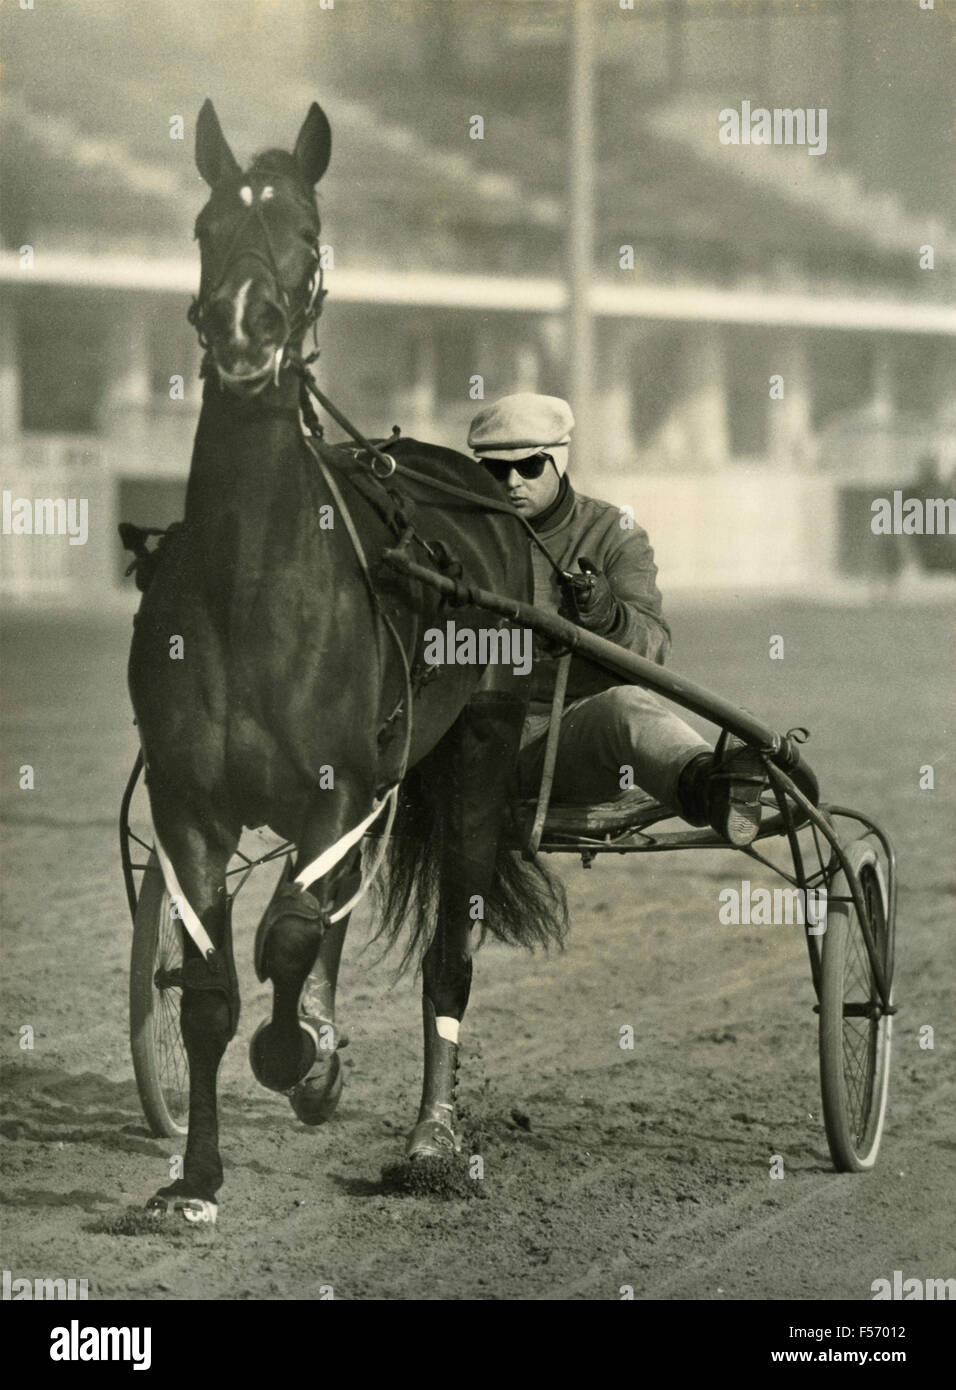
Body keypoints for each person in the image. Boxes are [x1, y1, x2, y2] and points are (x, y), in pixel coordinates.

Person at [467, 392, 767, 845]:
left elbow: (655, 649)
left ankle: (712, 789)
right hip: (461, 743)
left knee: (625, 705)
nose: (511, 481)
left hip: (565, 744)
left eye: (528, 466)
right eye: (494, 468)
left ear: (560, 461)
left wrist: (608, 617)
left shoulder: (612, 534)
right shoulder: (454, 531)